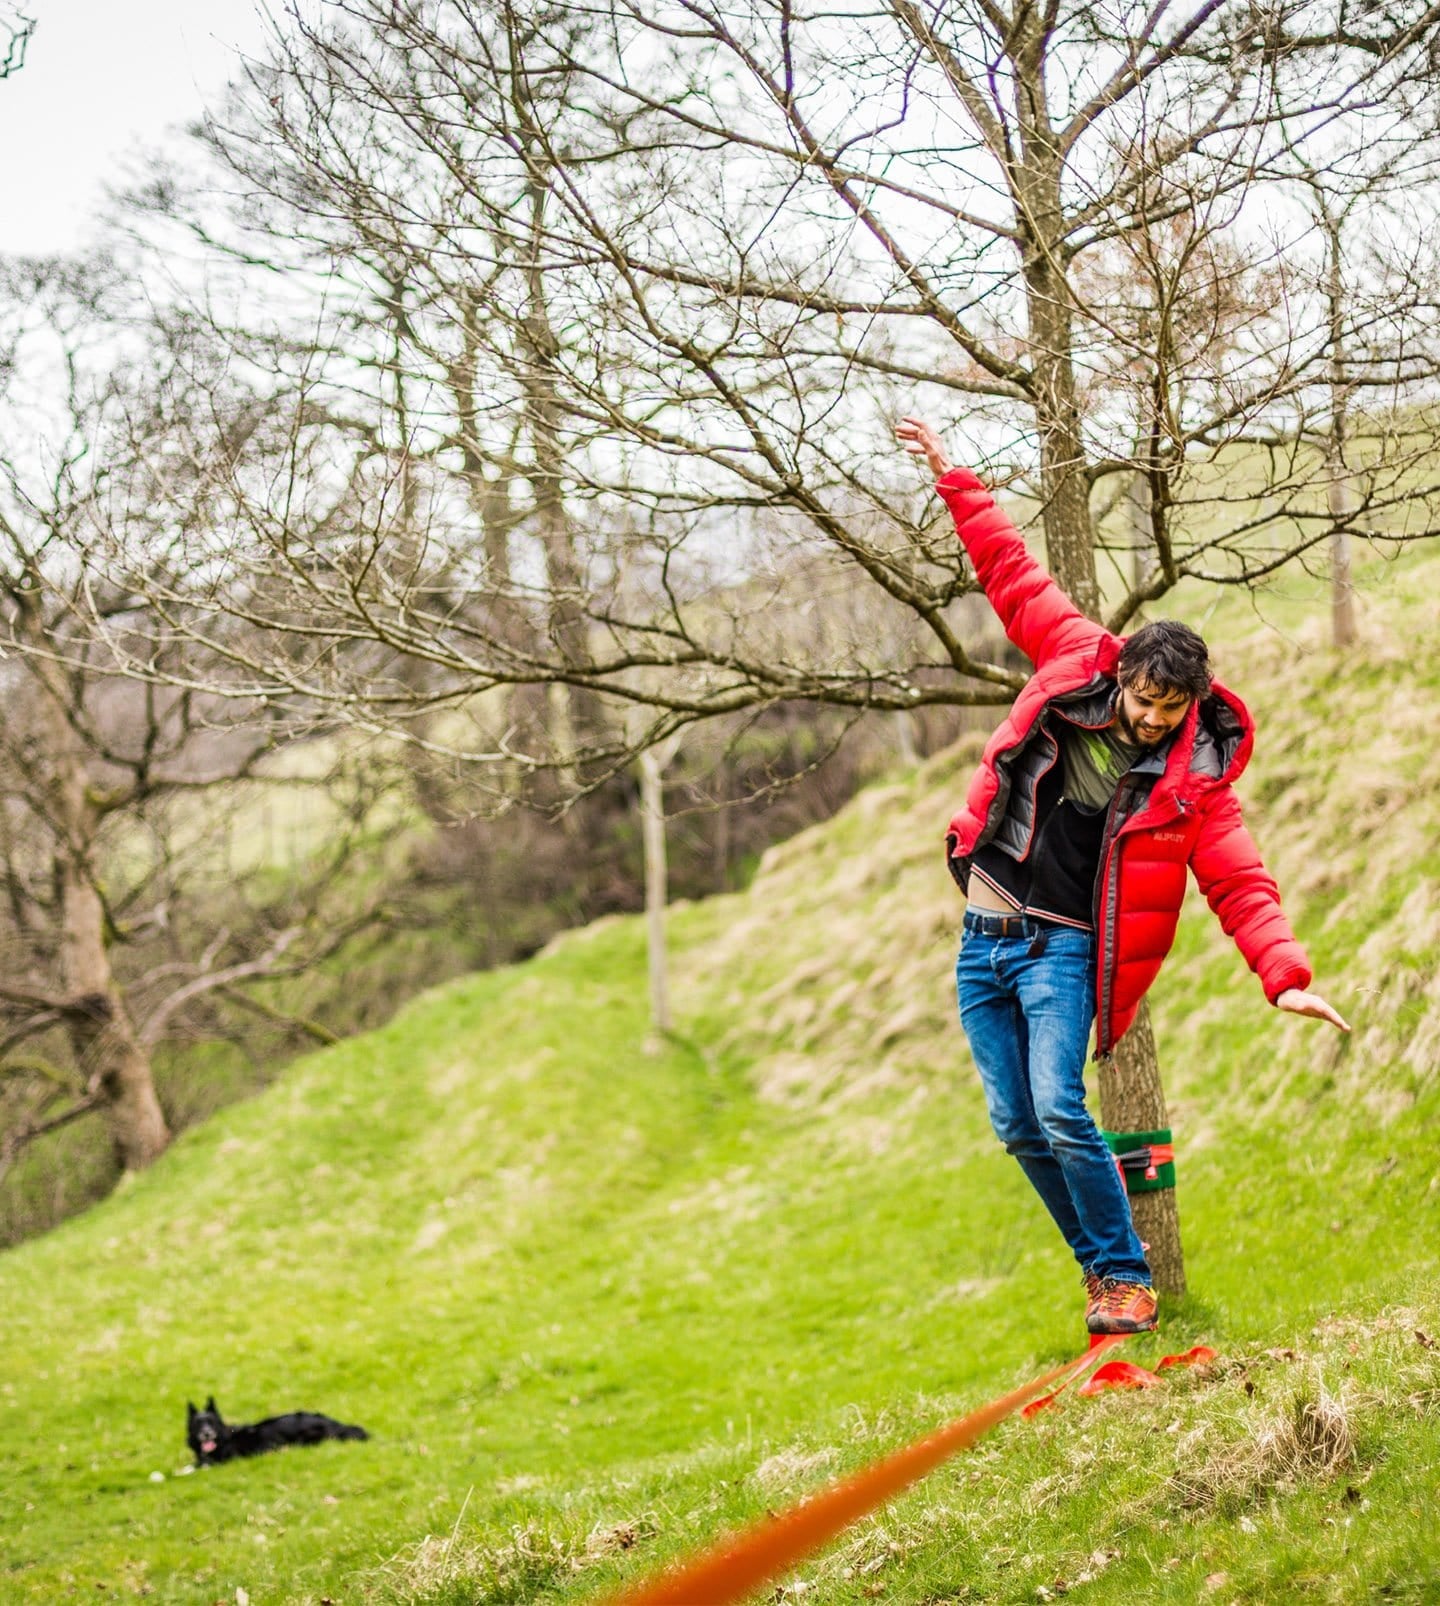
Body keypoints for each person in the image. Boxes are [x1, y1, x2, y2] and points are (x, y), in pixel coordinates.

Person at [895, 416, 1349, 1335]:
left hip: (1060, 949)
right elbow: (1010, 571)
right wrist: (958, 479)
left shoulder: (1197, 785)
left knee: (1061, 1107)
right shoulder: (1073, 659)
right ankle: (1103, 1276)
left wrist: (1285, 976)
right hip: (984, 939)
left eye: (1171, 708)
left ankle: (1128, 1278)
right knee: (1016, 1125)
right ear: (1126, 672)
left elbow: (1241, 885)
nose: (1151, 720)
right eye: (1144, 699)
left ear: (1192, 703)